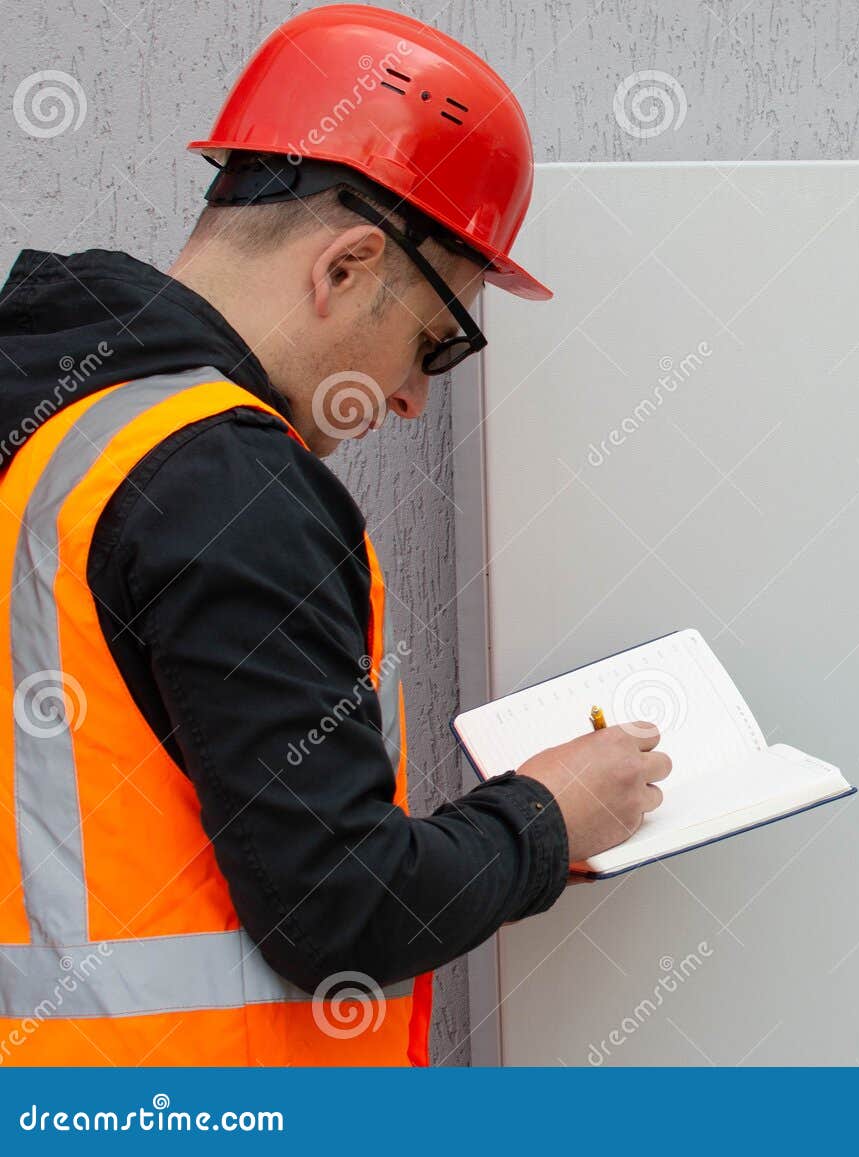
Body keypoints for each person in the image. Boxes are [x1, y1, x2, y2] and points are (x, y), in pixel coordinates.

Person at [0, 4, 668, 1066]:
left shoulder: (46, 421)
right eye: (435, 342)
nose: (410, 398)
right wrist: (549, 814)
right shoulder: (221, 480)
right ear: (347, 266)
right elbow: (338, 908)